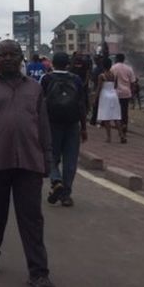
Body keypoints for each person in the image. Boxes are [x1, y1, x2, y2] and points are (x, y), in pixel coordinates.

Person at [0, 40, 55, 287]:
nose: (7, 58)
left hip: (29, 162)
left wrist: (47, 156)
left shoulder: (35, 89)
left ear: (21, 58)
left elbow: (43, 125)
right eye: (2, 55)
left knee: (32, 219)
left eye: (12, 54)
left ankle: (39, 273)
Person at [41, 52, 88, 207]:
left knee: (51, 156)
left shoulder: (46, 79)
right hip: (72, 124)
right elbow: (81, 104)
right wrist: (84, 127)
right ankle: (66, 195)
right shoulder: (76, 79)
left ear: (52, 63)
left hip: (52, 124)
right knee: (70, 160)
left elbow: (40, 104)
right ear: (68, 64)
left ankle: (56, 181)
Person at [96, 57, 125, 143]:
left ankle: (109, 137)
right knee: (116, 117)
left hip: (105, 96)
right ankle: (121, 135)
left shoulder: (101, 76)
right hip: (114, 95)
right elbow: (115, 86)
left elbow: (99, 88)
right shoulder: (114, 75)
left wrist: (95, 98)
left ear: (103, 66)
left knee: (106, 117)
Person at [110, 53, 138, 137]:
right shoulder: (129, 68)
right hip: (126, 93)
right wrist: (132, 93)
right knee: (125, 111)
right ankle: (124, 125)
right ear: (123, 59)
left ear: (116, 59)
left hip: (116, 93)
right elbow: (133, 82)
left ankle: (120, 127)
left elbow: (111, 81)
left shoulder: (113, 68)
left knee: (117, 112)